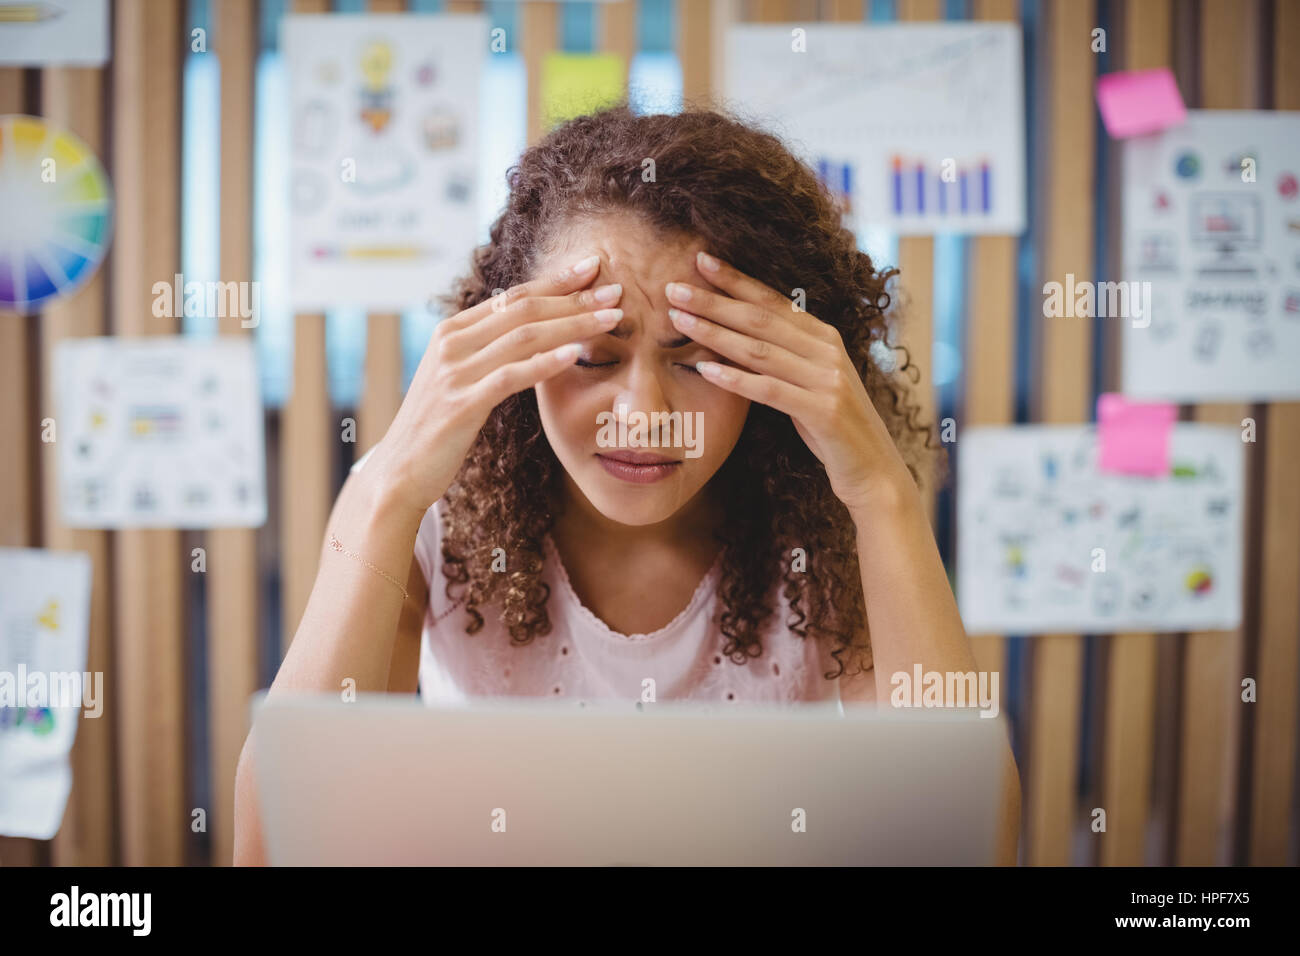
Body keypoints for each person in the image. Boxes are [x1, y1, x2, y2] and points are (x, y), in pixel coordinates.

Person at [233, 102, 1020, 865]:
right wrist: (389, 488)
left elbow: (970, 841)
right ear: (516, 350)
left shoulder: (827, 526)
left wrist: (884, 492)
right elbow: (274, 848)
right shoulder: (426, 520)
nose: (645, 417)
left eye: (696, 358)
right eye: (593, 357)